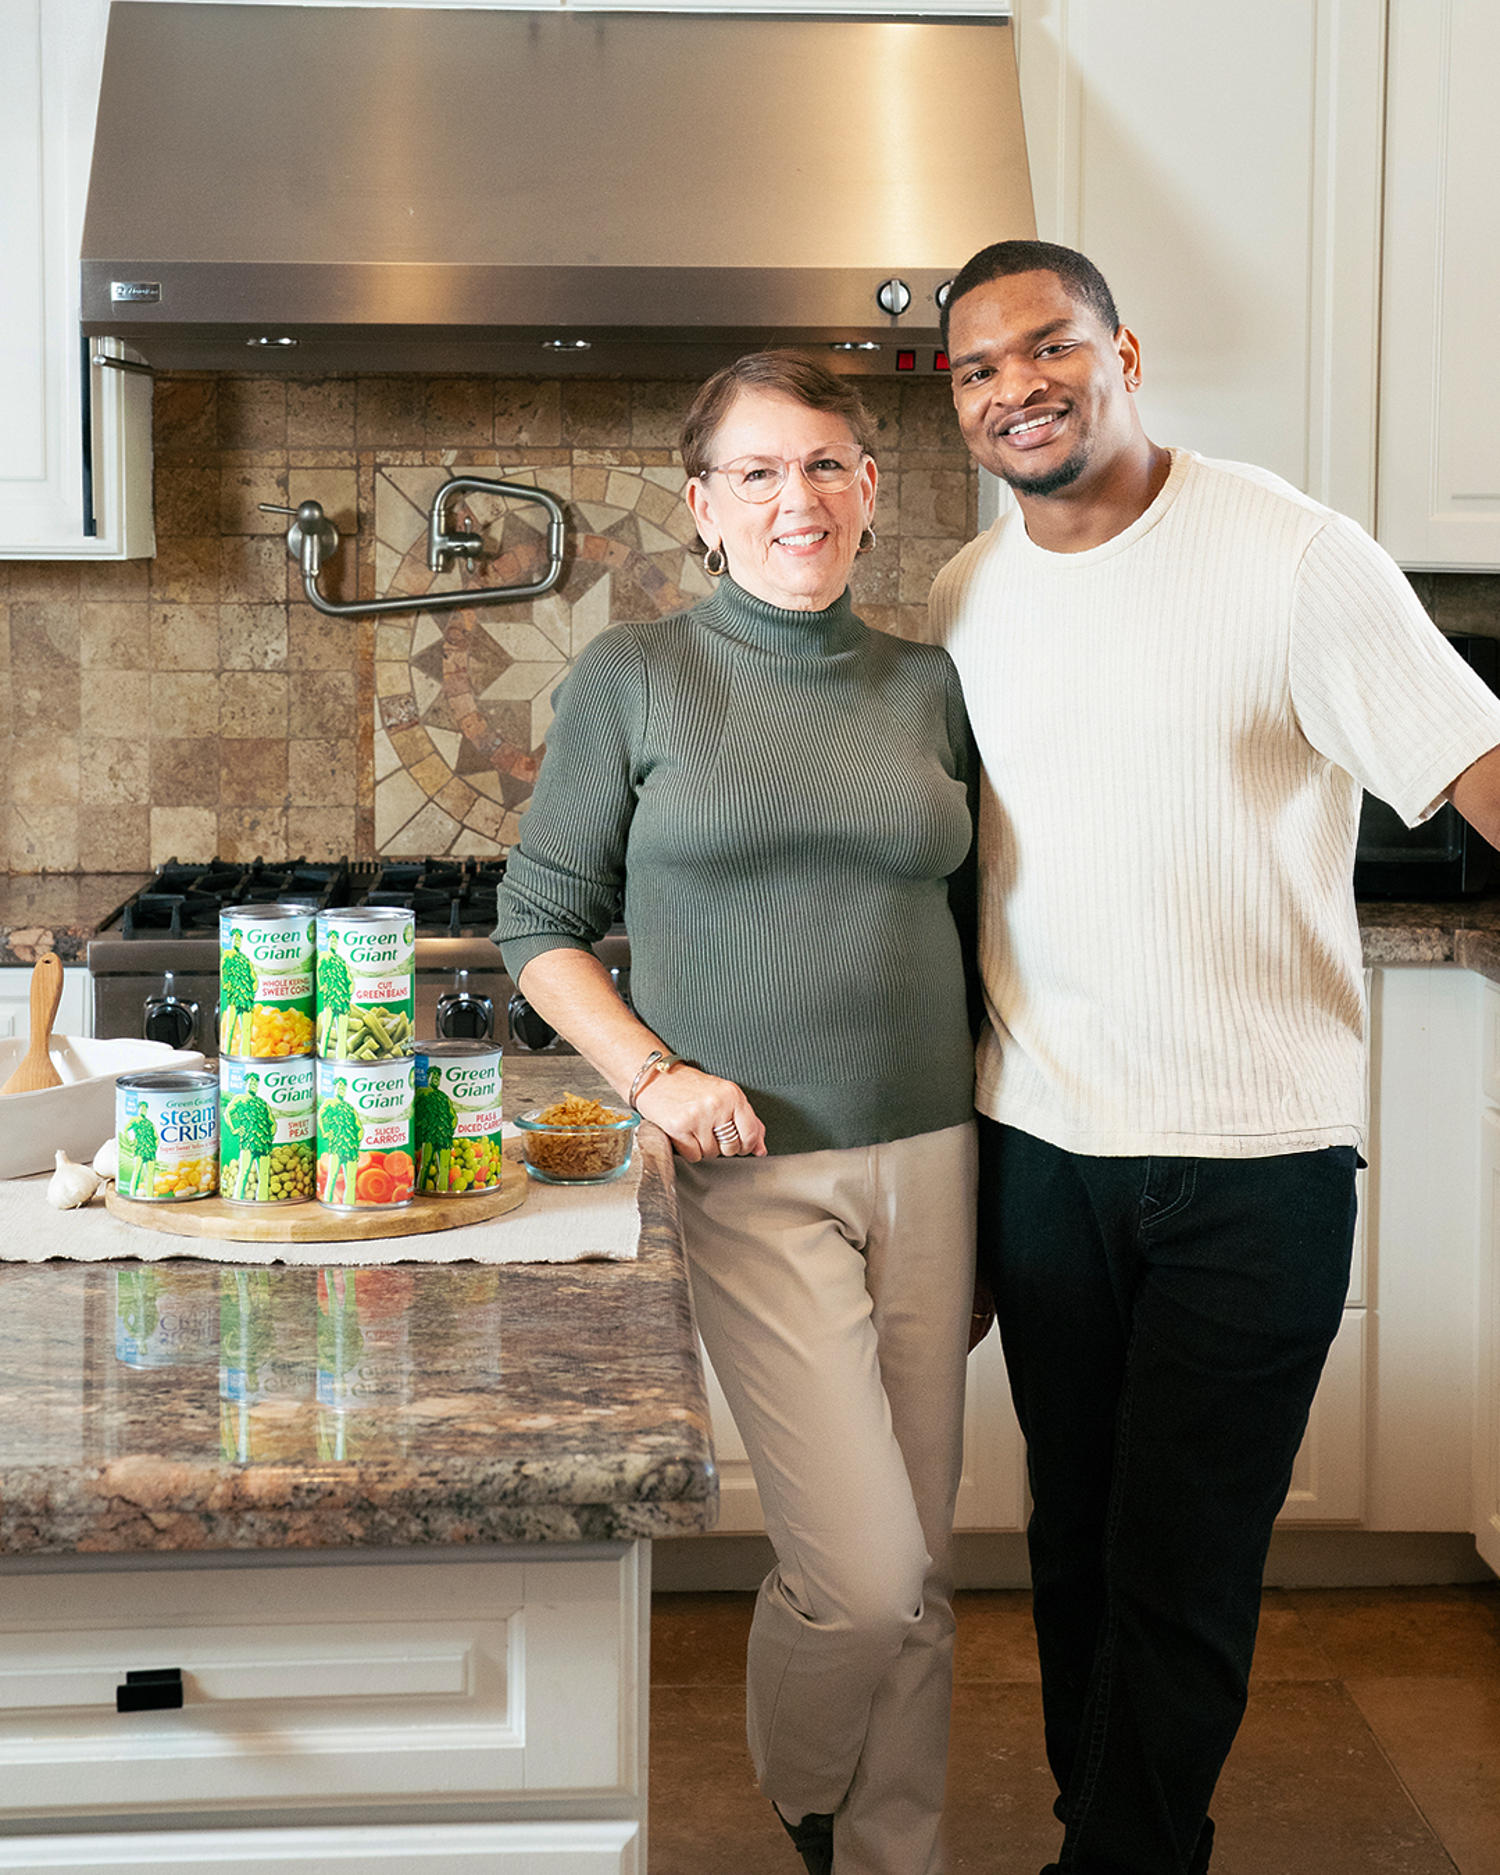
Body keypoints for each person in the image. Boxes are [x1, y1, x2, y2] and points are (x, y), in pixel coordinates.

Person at [927, 239, 1500, 1875]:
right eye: (978, 367)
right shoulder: (970, 597)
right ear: (956, 399)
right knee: (1076, 1544)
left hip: (1258, 1159)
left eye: (1049, 349)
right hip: (1040, 1149)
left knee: (1183, 1556)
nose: (1016, 387)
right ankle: (1105, 1837)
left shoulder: (1294, 555)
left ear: (1124, 352)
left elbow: (1478, 763)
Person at [493, 350, 980, 1875]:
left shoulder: (928, 679)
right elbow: (538, 923)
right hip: (750, 1169)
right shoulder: (637, 677)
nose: (799, 499)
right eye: (759, 473)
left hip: (942, 1161)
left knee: (926, 1568)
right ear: (701, 507)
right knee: (862, 1576)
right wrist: (655, 1072)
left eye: (828, 464)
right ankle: (805, 1796)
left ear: (871, 489)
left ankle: (890, 1856)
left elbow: (979, 917)